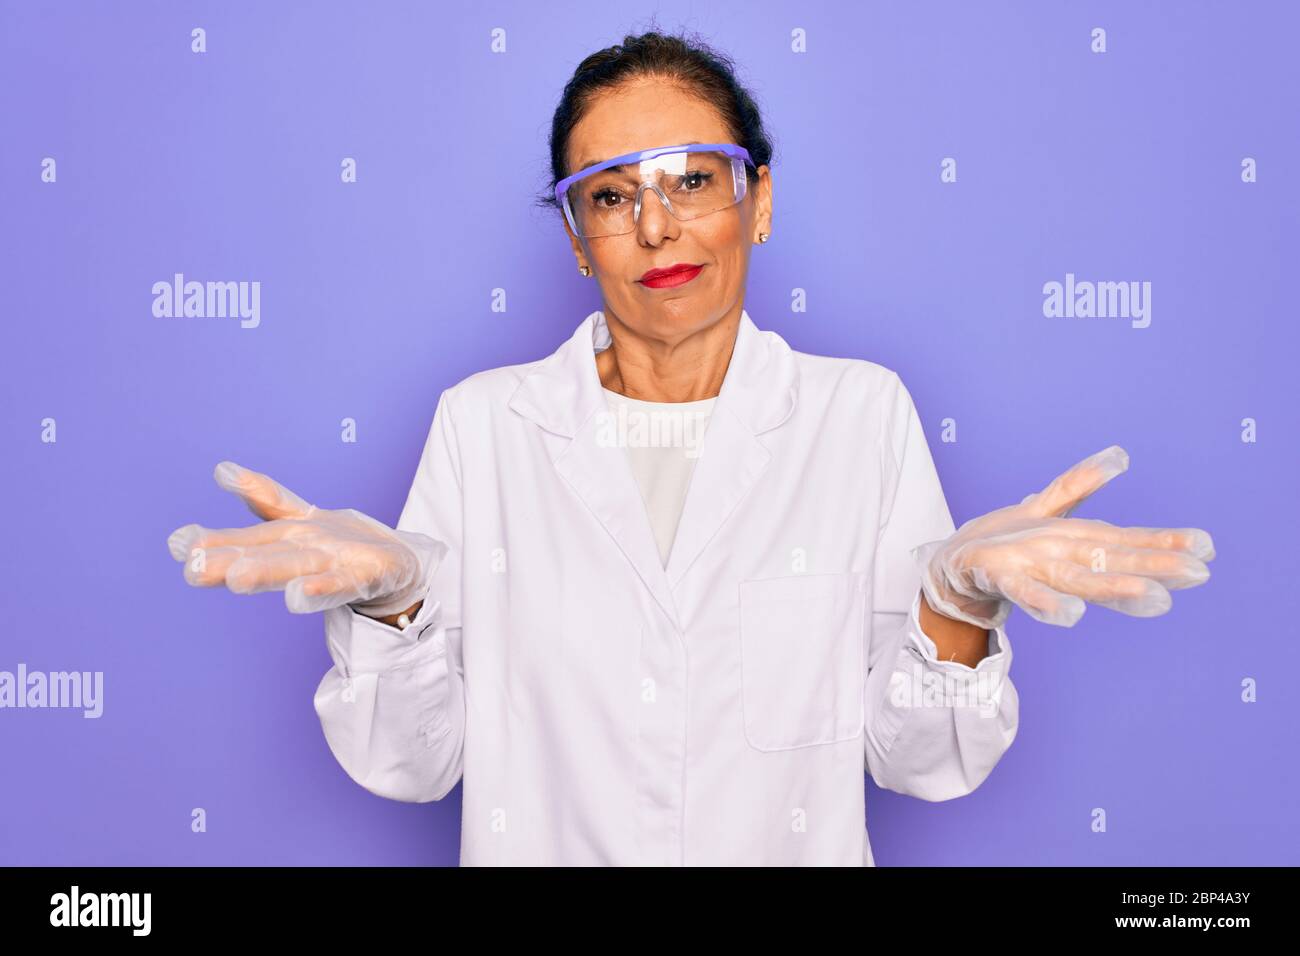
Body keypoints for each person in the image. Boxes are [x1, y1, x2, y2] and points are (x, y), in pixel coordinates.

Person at [166, 31, 1214, 866]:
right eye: (613, 195)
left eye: (693, 182)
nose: (657, 228)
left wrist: (955, 601)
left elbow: (924, 764)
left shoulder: (860, 414)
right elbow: (409, 763)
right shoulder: (483, 425)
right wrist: (393, 606)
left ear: (757, 201)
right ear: (576, 239)